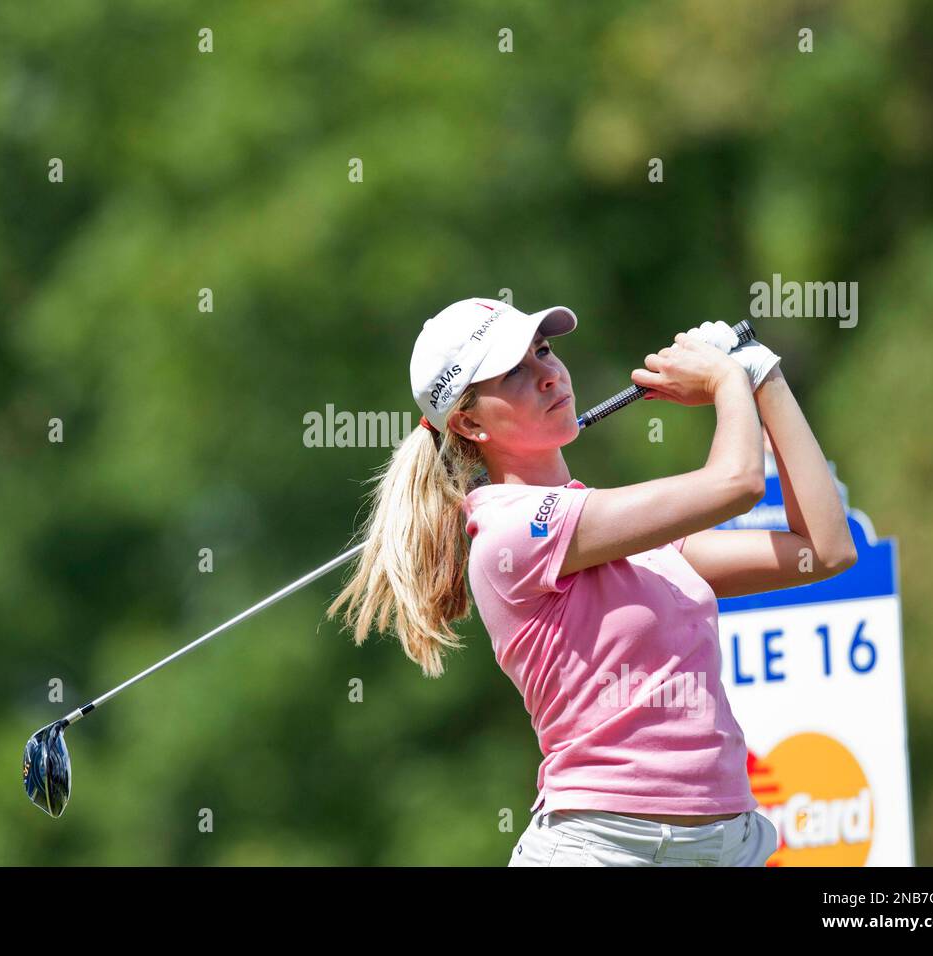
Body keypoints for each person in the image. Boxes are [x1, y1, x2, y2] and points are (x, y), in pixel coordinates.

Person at [326, 297, 858, 866]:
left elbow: (824, 550)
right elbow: (737, 484)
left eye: (545, 352)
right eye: (515, 373)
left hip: (727, 847)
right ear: (469, 421)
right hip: (602, 850)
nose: (549, 375)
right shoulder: (509, 529)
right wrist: (726, 378)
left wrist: (764, 375)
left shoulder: (627, 535)